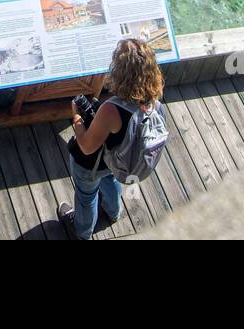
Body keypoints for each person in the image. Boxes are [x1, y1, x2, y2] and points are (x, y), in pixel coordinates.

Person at [58, 37, 165, 240]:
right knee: (111, 179)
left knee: (86, 196)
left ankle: (82, 231)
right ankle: (113, 212)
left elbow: (87, 147)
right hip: (121, 160)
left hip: (94, 164)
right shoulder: (154, 100)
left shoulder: (111, 109)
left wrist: (77, 118)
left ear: (120, 73)